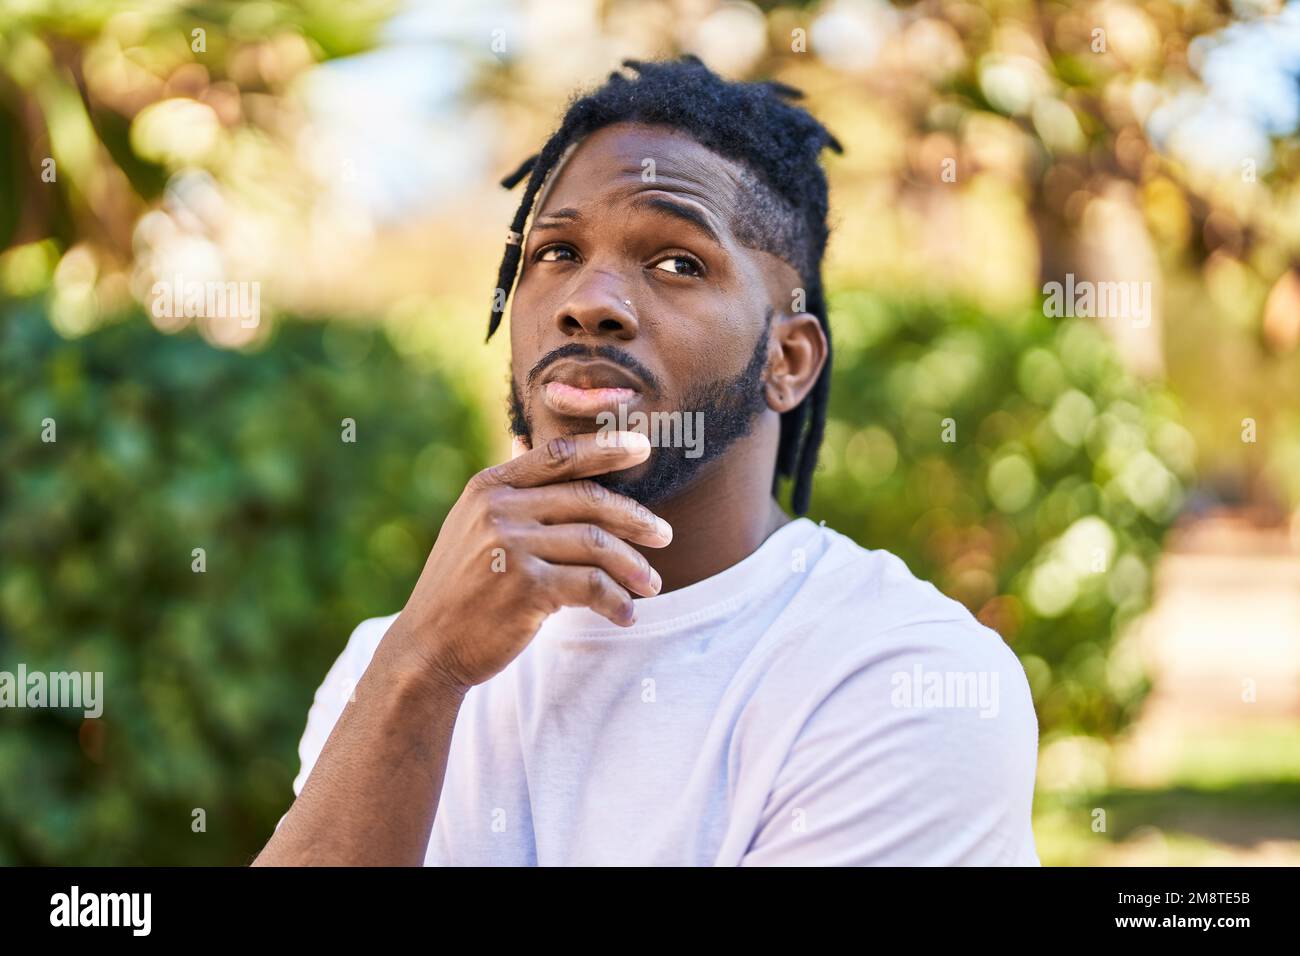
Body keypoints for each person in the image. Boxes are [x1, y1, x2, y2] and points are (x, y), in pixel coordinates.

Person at [254, 56, 1039, 866]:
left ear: (788, 359)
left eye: (677, 262)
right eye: (556, 252)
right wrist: (422, 670)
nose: (587, 302)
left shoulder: (899, 674)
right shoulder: (389, 664)